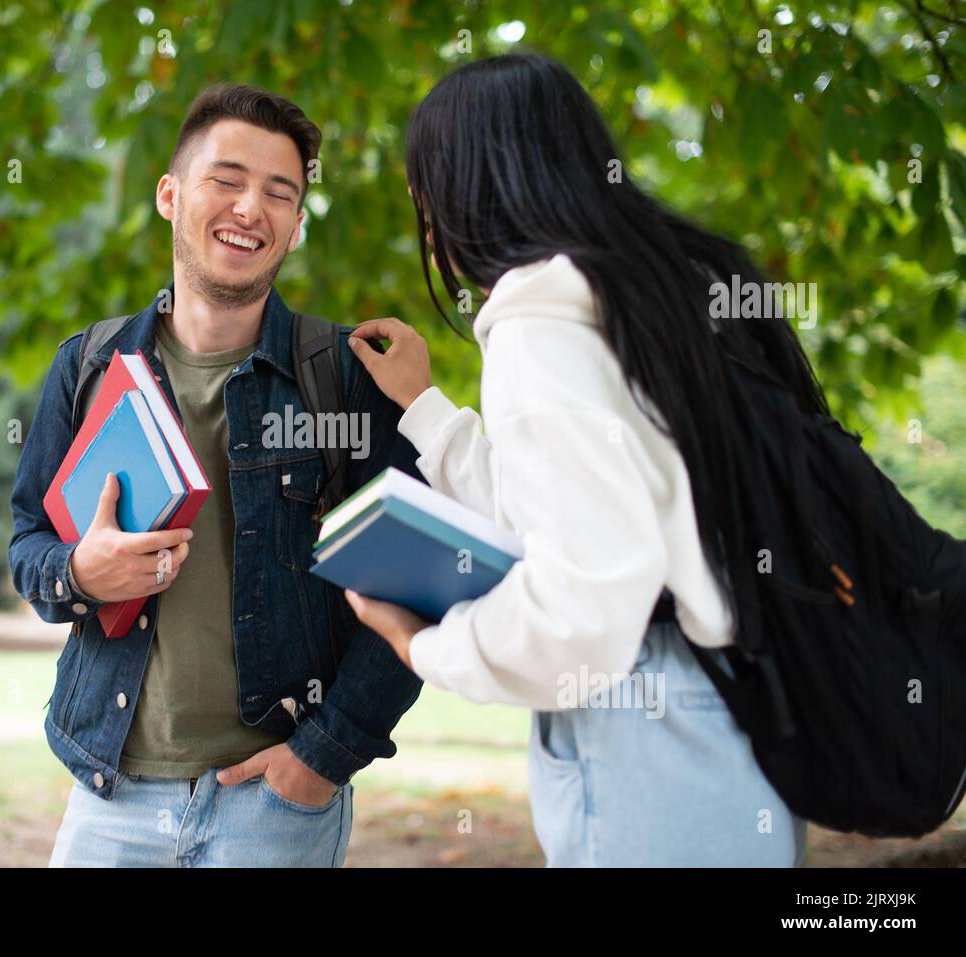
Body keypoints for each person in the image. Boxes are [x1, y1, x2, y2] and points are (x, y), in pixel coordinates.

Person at [344, 52, 820, 866]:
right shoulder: (674, 287)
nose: (430, 227)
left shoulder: (541, 323)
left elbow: (582, 608)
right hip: (743, 706)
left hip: (644, 728)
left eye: (428, 198)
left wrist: (422, 643)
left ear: (470, 188)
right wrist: (427, 411)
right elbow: (579, 506)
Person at [8, 83, 424, 867]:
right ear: (170, 195)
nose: (250, 209)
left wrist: (322, 758)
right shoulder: (89, 367)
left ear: (297, 225)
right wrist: (80, 573)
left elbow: (410, 587)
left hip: (273, 809)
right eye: (226, 181)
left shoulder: (344, 378)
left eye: (280, 193)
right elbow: (29, 545)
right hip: (108, 797)